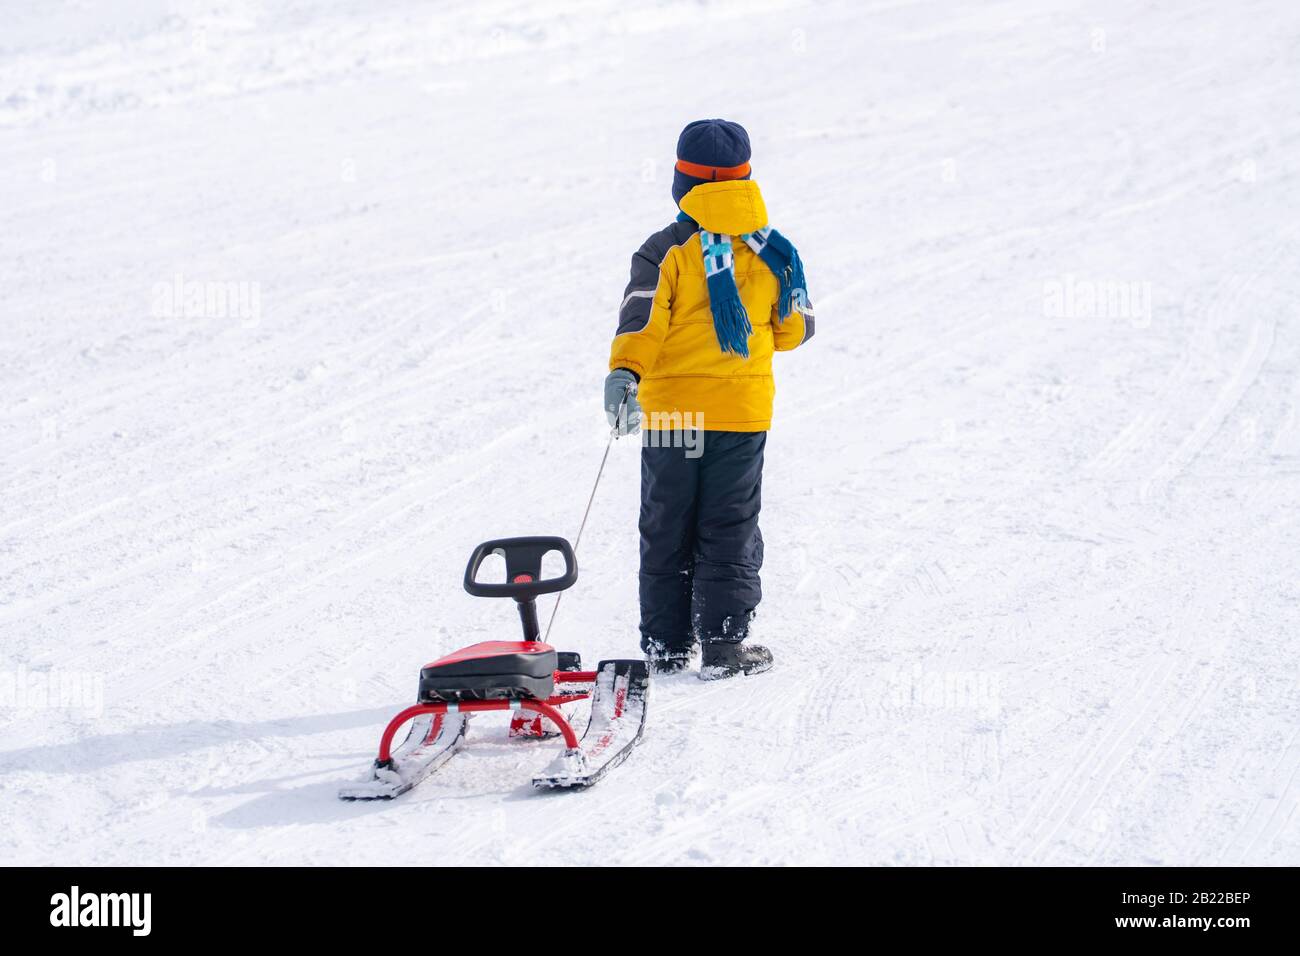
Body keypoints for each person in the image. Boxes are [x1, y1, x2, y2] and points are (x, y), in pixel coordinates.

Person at [603, 118, 815, 680]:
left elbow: (642, 320)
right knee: (729, 524)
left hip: (676, 416)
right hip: (741, 417)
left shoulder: (665, 250)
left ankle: (667, 647)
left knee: (666, 521)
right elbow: (794, 331)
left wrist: (625, 373)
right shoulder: (774, 250)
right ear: (745, 179)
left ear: (682, 184)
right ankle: (722, 648)